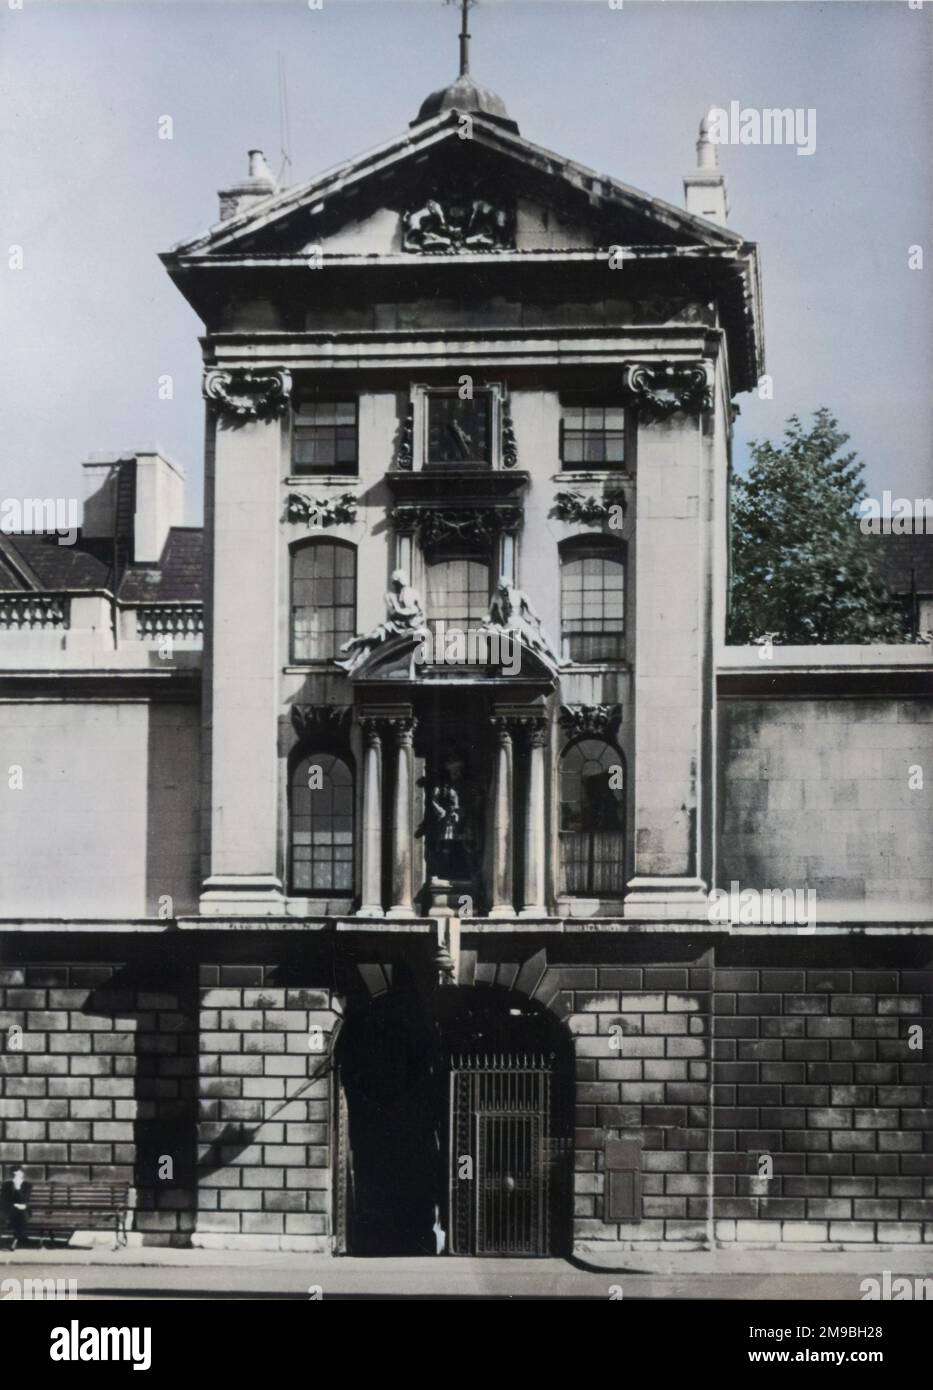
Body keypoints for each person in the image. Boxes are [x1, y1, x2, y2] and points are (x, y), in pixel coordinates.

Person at [2, 1164, 31, 1250]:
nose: (16, 1177)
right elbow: (4, 1200)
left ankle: (16, 1239)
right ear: (11, 1175)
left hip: (24, 1210)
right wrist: (14, 1205)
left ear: (22, 1174)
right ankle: (18, 1238)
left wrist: (18, 1188)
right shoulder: (6, 1185)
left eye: (18, 1174)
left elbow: (25, 1200)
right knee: (18, 1213)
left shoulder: (27, 1185)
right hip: (10, 1210)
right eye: (14, 1175)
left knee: (20, 1213)